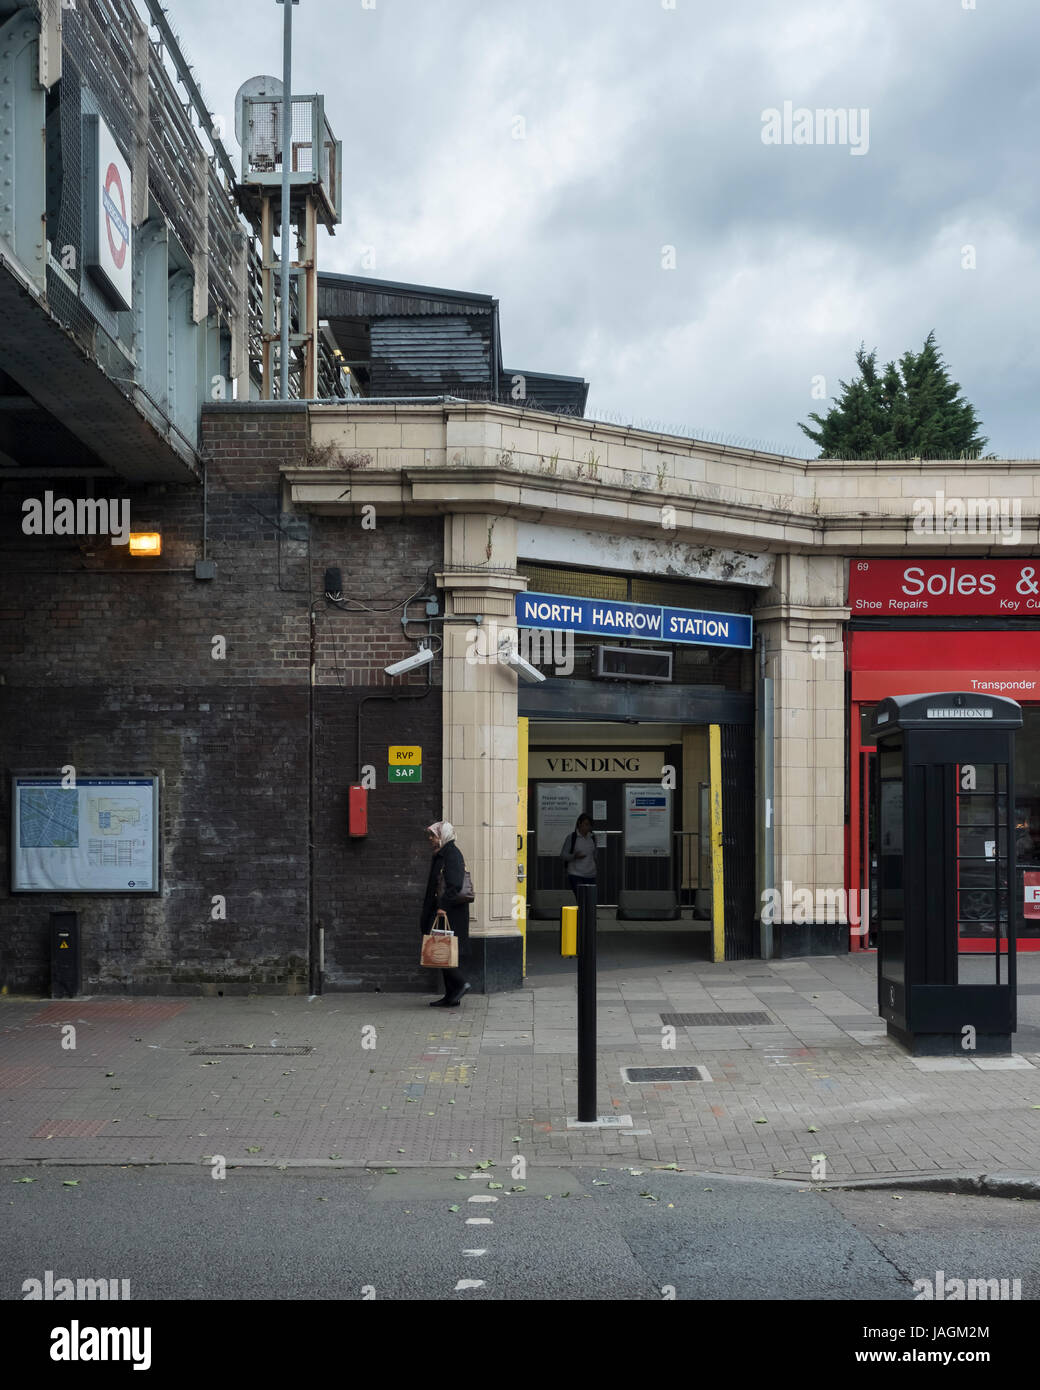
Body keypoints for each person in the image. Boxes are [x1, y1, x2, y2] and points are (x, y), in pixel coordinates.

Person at [420, 821, 471, 1006]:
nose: (431, 839)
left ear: (443, 836)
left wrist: (443, 907)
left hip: (448, 912)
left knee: (440, 948)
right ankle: (451, 996)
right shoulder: (442, 853)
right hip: (442, 909)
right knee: (441, 948)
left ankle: (460, 983)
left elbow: (455, 884)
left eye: (433, 835)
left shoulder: (452, 854)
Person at [560, 813, 597, 902]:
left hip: (591, 874)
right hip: (576, 874)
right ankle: (581, 915)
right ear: (579, 824)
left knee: (590, 899)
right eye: (586, 824)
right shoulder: (572, 837)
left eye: (589, 825)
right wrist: (574, 856)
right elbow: (563, 855)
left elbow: (594, 854)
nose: (588, 828)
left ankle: (589, 915)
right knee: (581, 898)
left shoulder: (592, 837)